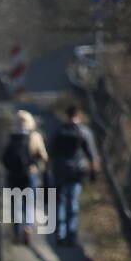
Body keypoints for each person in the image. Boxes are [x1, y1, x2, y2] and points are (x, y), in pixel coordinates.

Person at [48, 105, 99, 245]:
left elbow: (50, 151)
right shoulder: (84, 132)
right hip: (77, 172)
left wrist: (49, 170)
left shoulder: (59, 130)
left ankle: (60, 232)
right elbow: (92, 154)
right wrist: (94, 172)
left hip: (59, 170)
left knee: (60, 202)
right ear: (79, 115)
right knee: (73, 202)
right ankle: (71, 234)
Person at [1, 110, 48, 244]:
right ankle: (27, 226)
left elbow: (4, 157)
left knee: (15, 203)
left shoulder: (11, 137)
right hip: (30, 174)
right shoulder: (35, 137)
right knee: (28, 202)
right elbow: (43, 156)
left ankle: (16, 231)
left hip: (13, 175)